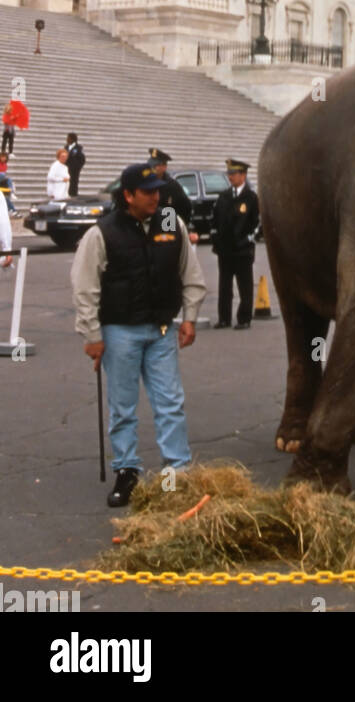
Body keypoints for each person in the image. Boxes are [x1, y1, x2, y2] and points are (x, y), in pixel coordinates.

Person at [71, 162, 206, 507]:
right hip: (120, 332)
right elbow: (85, 287)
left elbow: (189, 272)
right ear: (128, 195)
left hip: (161, 329)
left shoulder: (170, 222)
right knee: (123, 407)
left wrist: (189, 316)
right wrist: (92, 334)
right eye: (147, 192)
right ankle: (127, 471)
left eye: (157, 190)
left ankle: (175, 474)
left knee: (170, 403)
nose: (155, 197)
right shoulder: (103, 232)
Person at [211, 159, 260, 330]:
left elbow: (257, 224)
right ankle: (224, 318)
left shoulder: (251, 198)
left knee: (245, 286)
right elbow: (215, 220)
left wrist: (248, 240)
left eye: (233, 174)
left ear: (243, 175)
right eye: (229, 174)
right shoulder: (223, 197)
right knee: (224, 286)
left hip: (243, 250)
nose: (230, 177)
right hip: (225, 250)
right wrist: (215, 237)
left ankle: (244, 318)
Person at [148, 148, 193, 228]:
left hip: (167, 229)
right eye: (151, 165)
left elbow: (186, 207)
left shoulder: (172, 186)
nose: (153, 168)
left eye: (156, 165)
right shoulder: (145, 183)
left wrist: (179, 227)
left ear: (164, 167)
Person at [65, 133, 86, 198]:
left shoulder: (78, 148)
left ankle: (73, 195)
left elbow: (82, 159)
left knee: (74, 182)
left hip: (74, 170)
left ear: (72, 139)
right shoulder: (66, 147)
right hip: (67, 168)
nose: (67, 139)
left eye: (68, 138)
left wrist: (78, 167)